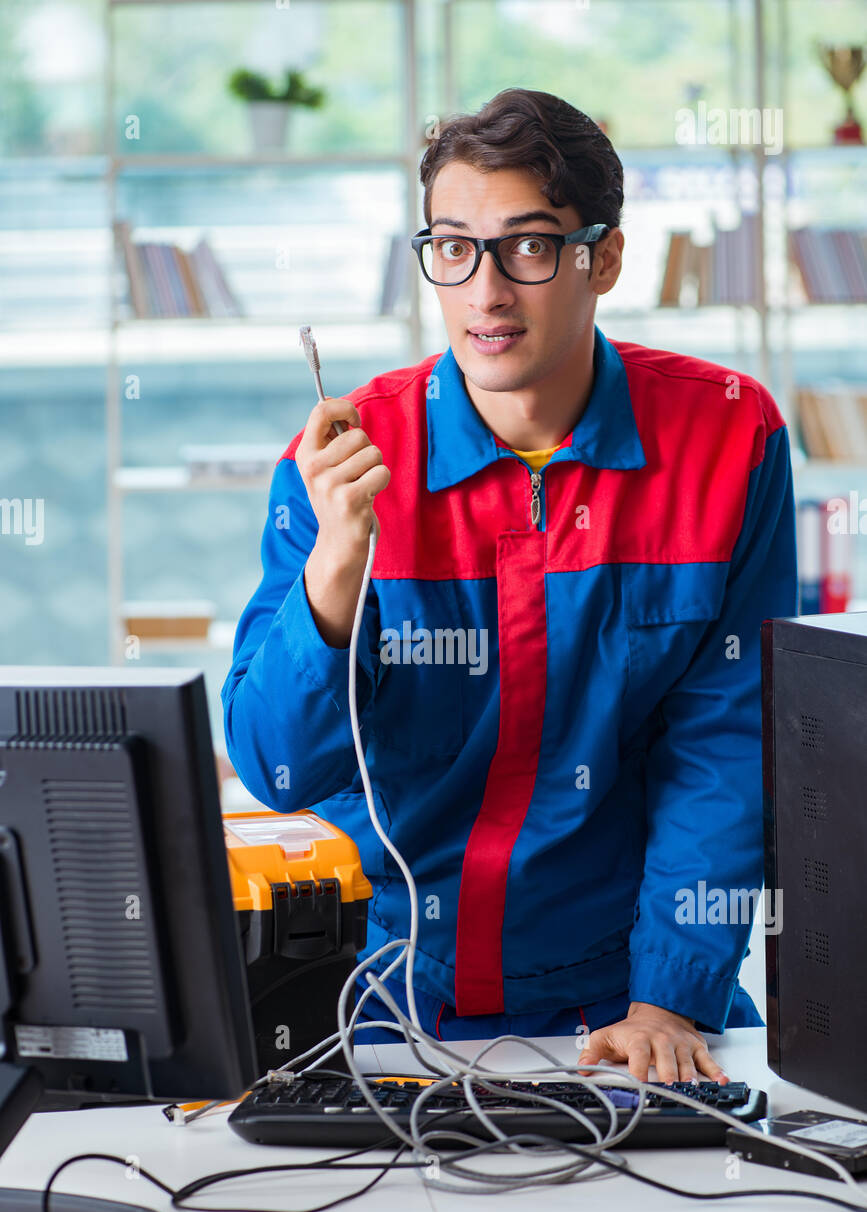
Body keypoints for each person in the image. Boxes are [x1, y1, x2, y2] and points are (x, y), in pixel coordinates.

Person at [222, 88, 798, 1085]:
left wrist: (668, 995)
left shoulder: (729, 439)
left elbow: (727, 744)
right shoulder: (343, 460)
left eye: (528, 246)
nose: (486, 292)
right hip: (379, 994)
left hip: (626, 1002)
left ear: (603, 258)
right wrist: (333, 572)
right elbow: (278, 770)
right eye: (453, 247)